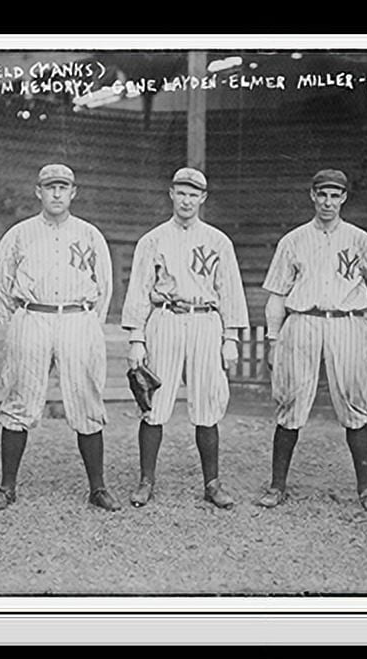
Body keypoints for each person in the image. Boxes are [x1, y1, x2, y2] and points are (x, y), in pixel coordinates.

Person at [0, 163, 120, 511]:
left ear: (73, 192)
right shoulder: (19, 234)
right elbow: (1, 285)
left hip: (77, 317)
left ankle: (97, 488)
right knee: (19, 400)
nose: (57, 193)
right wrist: (17, 324)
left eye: (63, 187)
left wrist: (88, 323)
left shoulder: (90, 234)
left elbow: (104, 287)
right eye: (50, 187)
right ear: (39, 192)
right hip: (33, 316)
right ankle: (6, 486)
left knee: (87, 399)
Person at [258, 169, 367, 512]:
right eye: (322, 195)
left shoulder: (361, 240)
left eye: (335, 195)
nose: (328, 202)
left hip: (345, 323)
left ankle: (366, 489)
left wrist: (357, 322)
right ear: (312, 196)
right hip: (303, 321)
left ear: (344, 198)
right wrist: (273, 339)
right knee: (291, 403)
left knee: (355, 405)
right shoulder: (293, 240)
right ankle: (277, 485)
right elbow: (277, 296)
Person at [121, 167, 249, 508]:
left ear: (203, 198)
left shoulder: (218, 241)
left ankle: (212, 484)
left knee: (207, 404)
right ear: (171, 194)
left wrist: (231, 337)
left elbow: (230, 291)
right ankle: (146, 481)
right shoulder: (153, 240)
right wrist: (137, 338)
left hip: (205, 320)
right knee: (154, 404)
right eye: (182, 193)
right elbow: (139, 290)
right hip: (165, 318)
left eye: (194, 194)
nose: (187, 200)